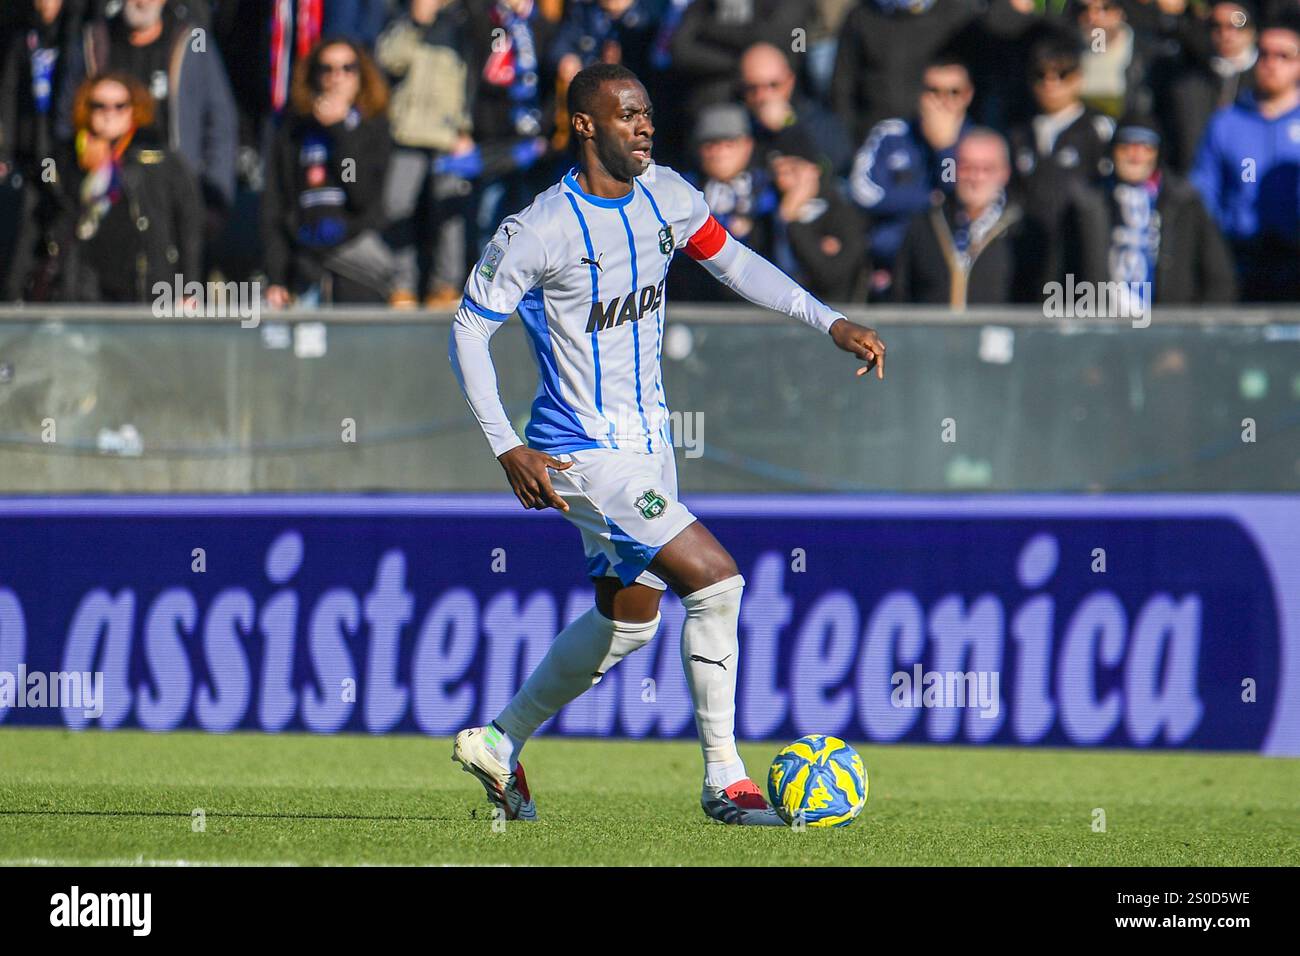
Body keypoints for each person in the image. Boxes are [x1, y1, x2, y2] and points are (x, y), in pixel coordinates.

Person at [447, 62, 885, 826]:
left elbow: (735, 262)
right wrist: (505, 445)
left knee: (630, 620)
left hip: (650, 445)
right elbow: (467, 328)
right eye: (626, 114)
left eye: (647, 112)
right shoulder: (538, 228)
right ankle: (726, 781)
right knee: (716, 583)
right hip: (579, 448)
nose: (644, 125)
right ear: (584, 125)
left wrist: (829, 320)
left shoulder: (670, 195)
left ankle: (498, 738)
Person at [45, 71, 203, 302]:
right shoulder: (66, 161)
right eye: (99, 105)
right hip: (84, 285)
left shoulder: (158, 158)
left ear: (134, 109)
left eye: (120, 106)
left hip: (145, 284)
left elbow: (189, 225)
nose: (110, 114)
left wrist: (189, 287)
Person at [260, 38, 395, 306]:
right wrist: (276, 276)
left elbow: (361, 193)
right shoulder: (292, 131)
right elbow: (275, 205)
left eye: (348, 68)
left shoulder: (373, 129)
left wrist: (340, 131)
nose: (337, 77)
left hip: (356, 266)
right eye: (327, 69)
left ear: (361, 76)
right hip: (304, 265)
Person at [80, 0, 238, 220]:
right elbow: (67, 116)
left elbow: (221, 122)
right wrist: (84, 145)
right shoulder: (95, 41)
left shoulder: (192, 40)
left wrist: (215, 199)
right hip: (108, 195)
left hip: (173, 198)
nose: (142, 2)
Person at [1061, 114, 1237, 304]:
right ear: (1113, 151)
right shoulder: (1089, 204)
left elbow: (1220, 278)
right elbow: (1061, 274)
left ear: (1158, 153)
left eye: (1146, 146)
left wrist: (1197, 326)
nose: (1136, 155)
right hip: (1103, 325)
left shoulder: (1184, 204)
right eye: (1126, 146)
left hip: (1169, 327)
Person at [1190, 14, 1300, 300]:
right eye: (1263, 54)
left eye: (1284, 56)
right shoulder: (1226, 121)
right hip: (1240, 261)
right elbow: (1205, 190)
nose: (1271, 63)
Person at [849, 54, 975, 297]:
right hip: (887, 259)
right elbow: (863, 193)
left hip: (945, 264)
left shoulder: (976, 142)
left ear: (968, 95)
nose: (942, 101)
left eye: (953, 92)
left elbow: (957, 199)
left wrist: (944, 150)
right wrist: (929, 199)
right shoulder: (891, 133)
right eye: (933, 91)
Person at [376, 0, 474, 308]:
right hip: (407, 132)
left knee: (449, 211)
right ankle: (401, 284)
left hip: (451, 136)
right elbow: (389, 59)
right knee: (397, 205)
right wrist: (416, 23)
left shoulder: (464, 19)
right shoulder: (401, 19)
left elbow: (475, 73)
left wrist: (466, 128)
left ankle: (446, 285)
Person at [892, 127, 1041, 306]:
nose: (976, 178)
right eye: (967, 167)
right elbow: (900, 295)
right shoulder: (926, 224)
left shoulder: (1023, 232)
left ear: (1005, 173)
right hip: (932, 332)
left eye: (987, 168)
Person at [738, 41, 852, 176]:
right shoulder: (739, 123)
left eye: (773, 85)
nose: (762, 96)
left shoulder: (813, 116)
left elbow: (835, 162)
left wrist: (788, 124)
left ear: (789, 81)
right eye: (752, 88)